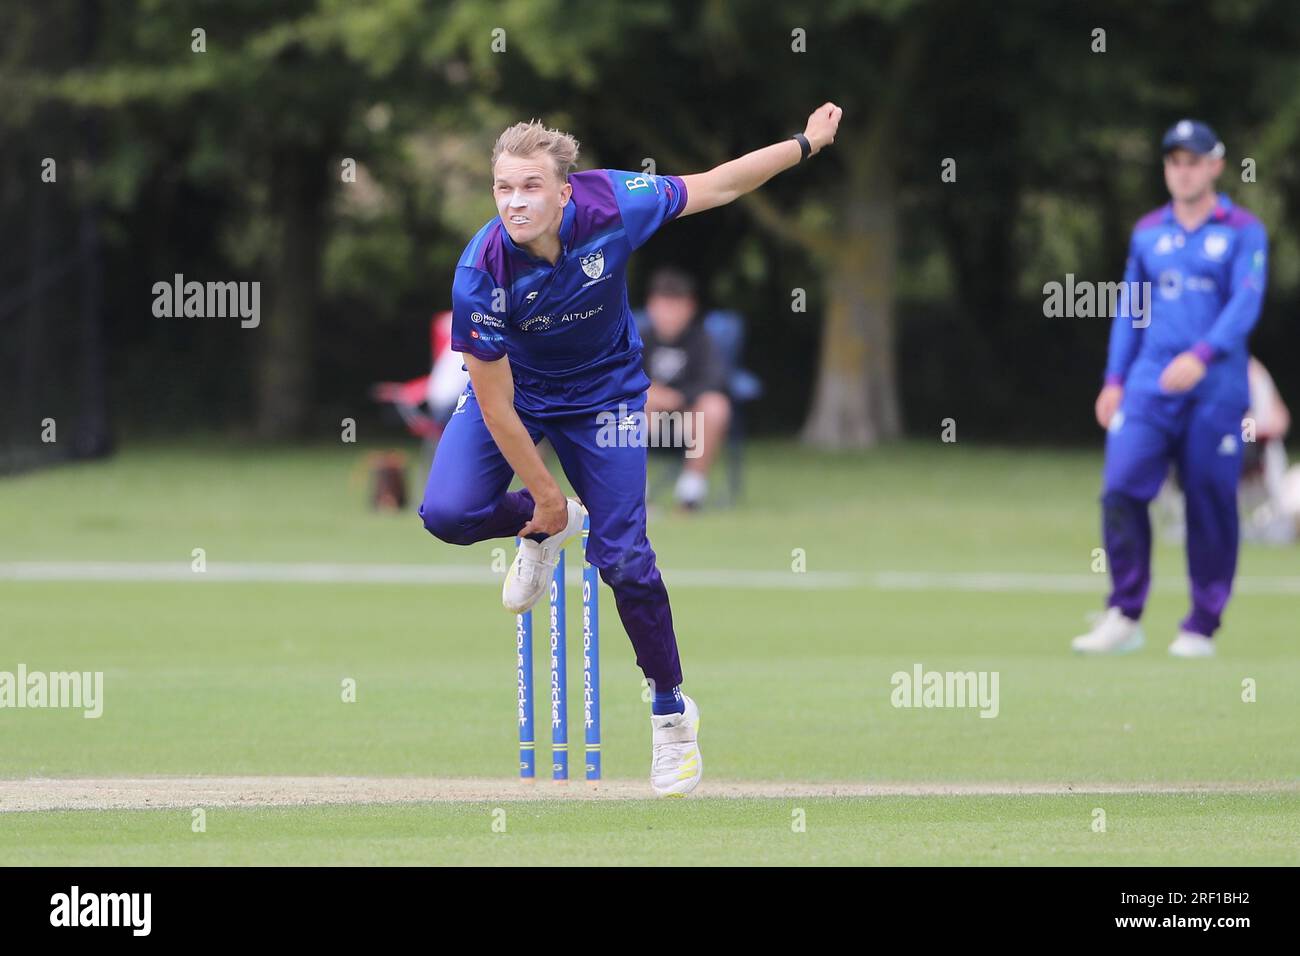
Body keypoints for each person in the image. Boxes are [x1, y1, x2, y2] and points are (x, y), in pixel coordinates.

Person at [418, 105, 843, 793]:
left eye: (530, 186)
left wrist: (804, 144)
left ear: (565, 189)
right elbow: (494, 405)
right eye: (503, 188)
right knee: (447, 514)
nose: (515, 202)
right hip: (517, 396)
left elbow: (717, 185)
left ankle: (672, 714)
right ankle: (548, 525)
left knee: (626, 562)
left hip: (606, 399)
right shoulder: (481, 272)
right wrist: (549, 501)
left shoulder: (613, 200)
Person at [1073, 119, 1268, 658]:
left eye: (1193, 161)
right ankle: (1125, 613)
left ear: (1215, 166)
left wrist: (1201, 355)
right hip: (1148, 387)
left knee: (1209, 500)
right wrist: (1114, 379)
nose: (1183, 171)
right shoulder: (1147, 233)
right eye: (1174, 162)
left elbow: (1245, 304)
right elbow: (1129, 310)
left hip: (1216, 390)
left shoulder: (1243, 230)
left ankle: (1201, 623)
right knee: (1120, 488)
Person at [640, 267, 732, 509]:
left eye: (675, 306)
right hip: (646, 420)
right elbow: (619, 379)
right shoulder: (638, 339)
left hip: (690, 420)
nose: (668, 314)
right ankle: (638, 494)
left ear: (689, 307)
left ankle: (690, 495)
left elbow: (715, 381)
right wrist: (652, 393)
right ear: (651, 306)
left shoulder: (702, 341)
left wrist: (677, 397)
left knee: (716, 406)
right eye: (663, 306)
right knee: (633, 404)